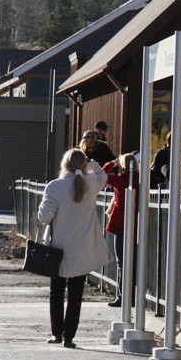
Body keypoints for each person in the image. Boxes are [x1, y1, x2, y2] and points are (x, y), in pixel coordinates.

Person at [37, 148, 110, 348]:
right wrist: (91, 164)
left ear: (64, 165)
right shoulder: (91, 184)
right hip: (82, 249)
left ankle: (56, 333)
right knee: (76, 293)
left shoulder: (55, 187)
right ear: (83, 165)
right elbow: (102, 173)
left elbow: (44, 217)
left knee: (57, 291)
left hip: (58, 249)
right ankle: (69, 336)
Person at [102, 153, 139, 307]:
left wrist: (112, 162)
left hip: (122, 225)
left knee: (122, 262)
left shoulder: (120, 180)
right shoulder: (140, 179)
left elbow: (102, 175)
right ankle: (133, 296)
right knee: (135, 262)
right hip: (138, 225)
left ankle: (122, 296)